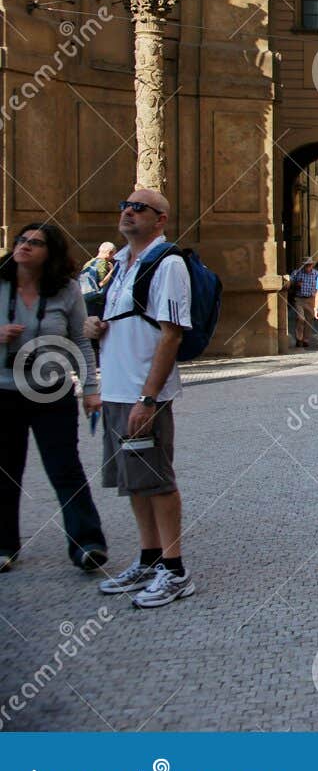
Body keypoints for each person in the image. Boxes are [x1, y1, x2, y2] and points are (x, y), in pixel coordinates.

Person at [85, 190, 194, 609]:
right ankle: (150, 558)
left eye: (138, 208)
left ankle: (175, 569)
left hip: (141, 393)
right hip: (116, 390)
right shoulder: (121, 265)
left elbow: (171, 333)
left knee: (157, 481)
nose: (127, 212)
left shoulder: (167, 264)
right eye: (124, 206)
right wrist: (97, 327)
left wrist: (148, 398)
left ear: (160, 219)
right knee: (134, 483)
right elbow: (129, 321)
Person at [0, 223, 106, 574]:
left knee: (65, 468)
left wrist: (90, 388)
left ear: (51, 253)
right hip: (3, 391)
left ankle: (87, 543)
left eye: (35, 242)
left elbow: (79, 340)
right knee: (5, 470)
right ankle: (4, 546)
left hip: (52, 391)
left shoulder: (67, 290)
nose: (25, 246)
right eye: (21, 240)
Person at [289, 258, 318, 349]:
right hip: (299, 299)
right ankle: (299, 338)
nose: (308, 267)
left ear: (312, 265)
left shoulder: (316, 274)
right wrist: (295, 284)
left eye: (309, 265)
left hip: (311, 299)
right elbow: (289, 282)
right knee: (300, 318)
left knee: (309, 320)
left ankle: (306, 339)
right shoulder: (297, 273)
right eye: (306, 265)